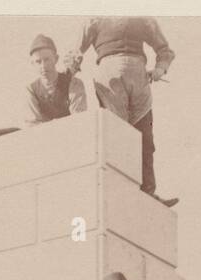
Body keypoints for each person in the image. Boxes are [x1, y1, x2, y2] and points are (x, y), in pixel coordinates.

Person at [69, 17, 178, 205]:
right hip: (109, 74)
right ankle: (120, 189)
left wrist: (161, 68)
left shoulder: (141, 15)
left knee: (144, 136)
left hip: (137, 75)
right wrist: (71, 67)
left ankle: (147, 192)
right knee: (118, 136)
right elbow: (75, 50)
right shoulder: (96, 16)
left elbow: (164, 50)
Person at [25, 34, 87, 125]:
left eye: (47, 60)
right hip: (43, 137)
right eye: (38, 62)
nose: (43, 66)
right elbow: (32, 125)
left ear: (56, 59)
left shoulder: (73, 84)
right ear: (32, 64)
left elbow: (78, 121)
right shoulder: (31, 89)